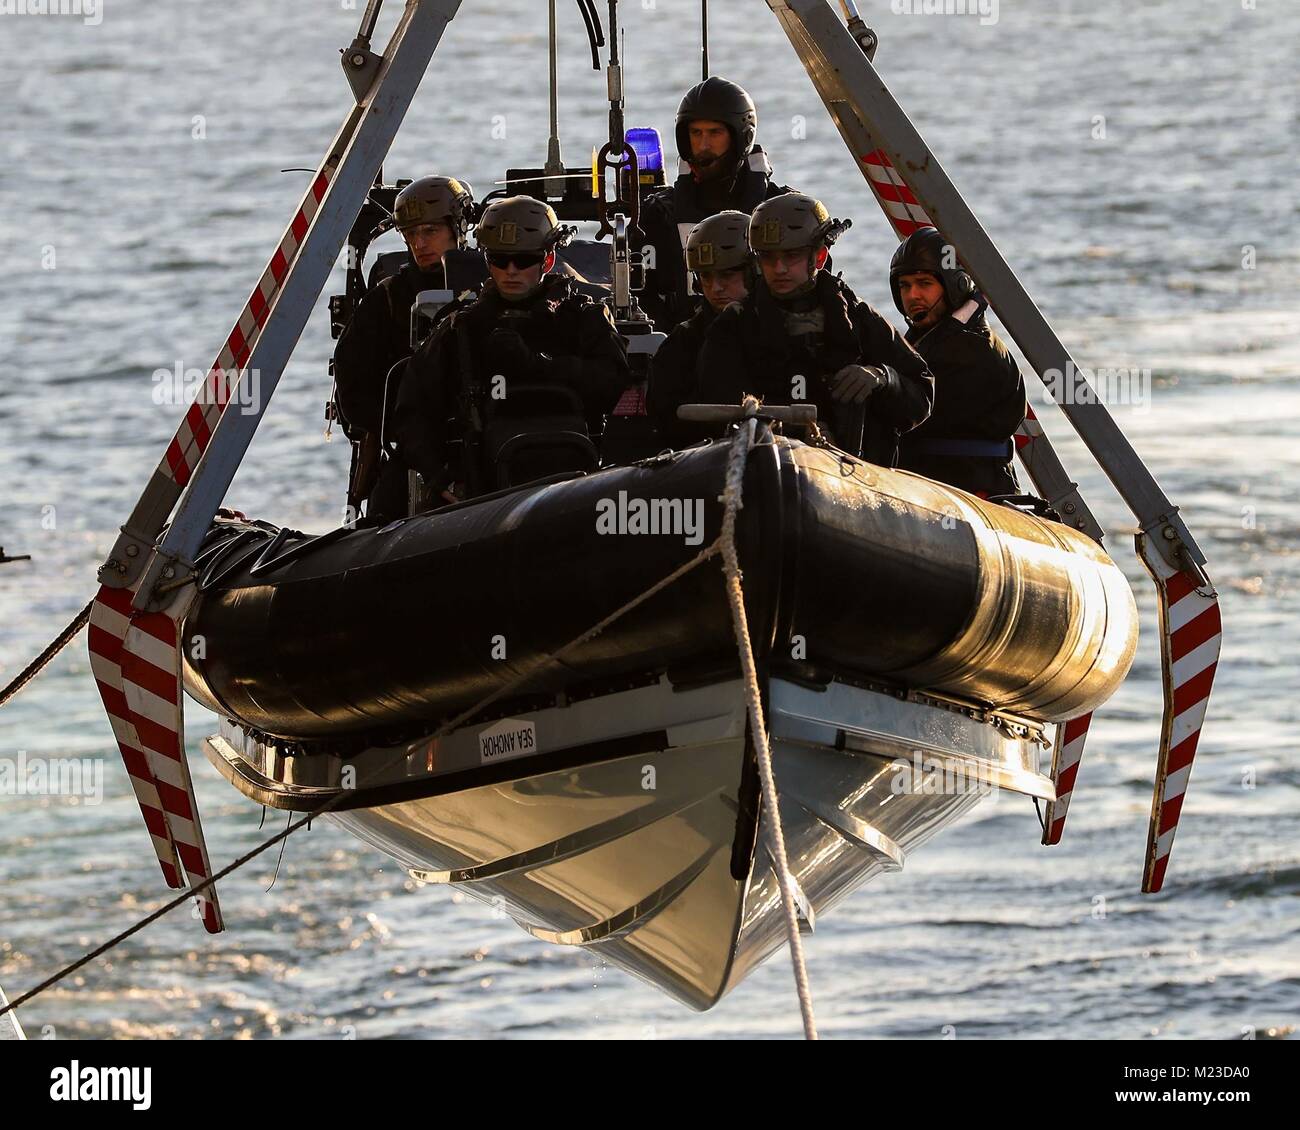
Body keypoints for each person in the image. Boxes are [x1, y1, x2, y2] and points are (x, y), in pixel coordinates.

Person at [394, 196, 630, 501]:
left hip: (577, 486)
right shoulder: (462, 328)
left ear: (546, 260)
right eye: (500, 260)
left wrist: (540, 367)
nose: (511, 271)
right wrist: (440, 478)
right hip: (484, 490)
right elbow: (412, 410)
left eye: (524, 260)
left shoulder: (582, 319)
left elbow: (614, 384)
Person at [698, 192, 933, 465]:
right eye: (768, 258)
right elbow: (717, 408)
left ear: (819, 256)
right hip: (764, 469)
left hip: (856, 477)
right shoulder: (734, 326)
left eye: (792, 256)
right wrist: (791, 433)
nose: (779, 268)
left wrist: (882, 378)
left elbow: (921, 394)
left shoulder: (856, 318)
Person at [637, 78, 787, 329]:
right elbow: (641, 299)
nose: (703, 145)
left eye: (715, 133)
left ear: (742, 136)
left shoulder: (780, 211)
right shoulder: (658, 217)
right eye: (696, 133)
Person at [333, 175, 475, 440]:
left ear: (458, 226)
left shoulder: (493, 286)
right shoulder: (386, 300)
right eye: (411, 233)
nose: (419, 244)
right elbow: (353, 391)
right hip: (411, 444)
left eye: (430, 231)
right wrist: (409, 430)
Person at [889, 227, 1026, 497]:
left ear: (955, 285)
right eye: (904, 285)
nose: (912, 295)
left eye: (924, 283)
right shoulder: (923, 342)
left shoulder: (972, 349)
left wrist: (881, 379)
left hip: (972, 496)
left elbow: (902, 410)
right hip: (930, 490)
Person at [646, 211, 753, 448]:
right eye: (706, 276)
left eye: (727, 274)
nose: (715, 288)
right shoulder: (683, 342)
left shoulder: (788, 329)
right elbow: (666, 419)